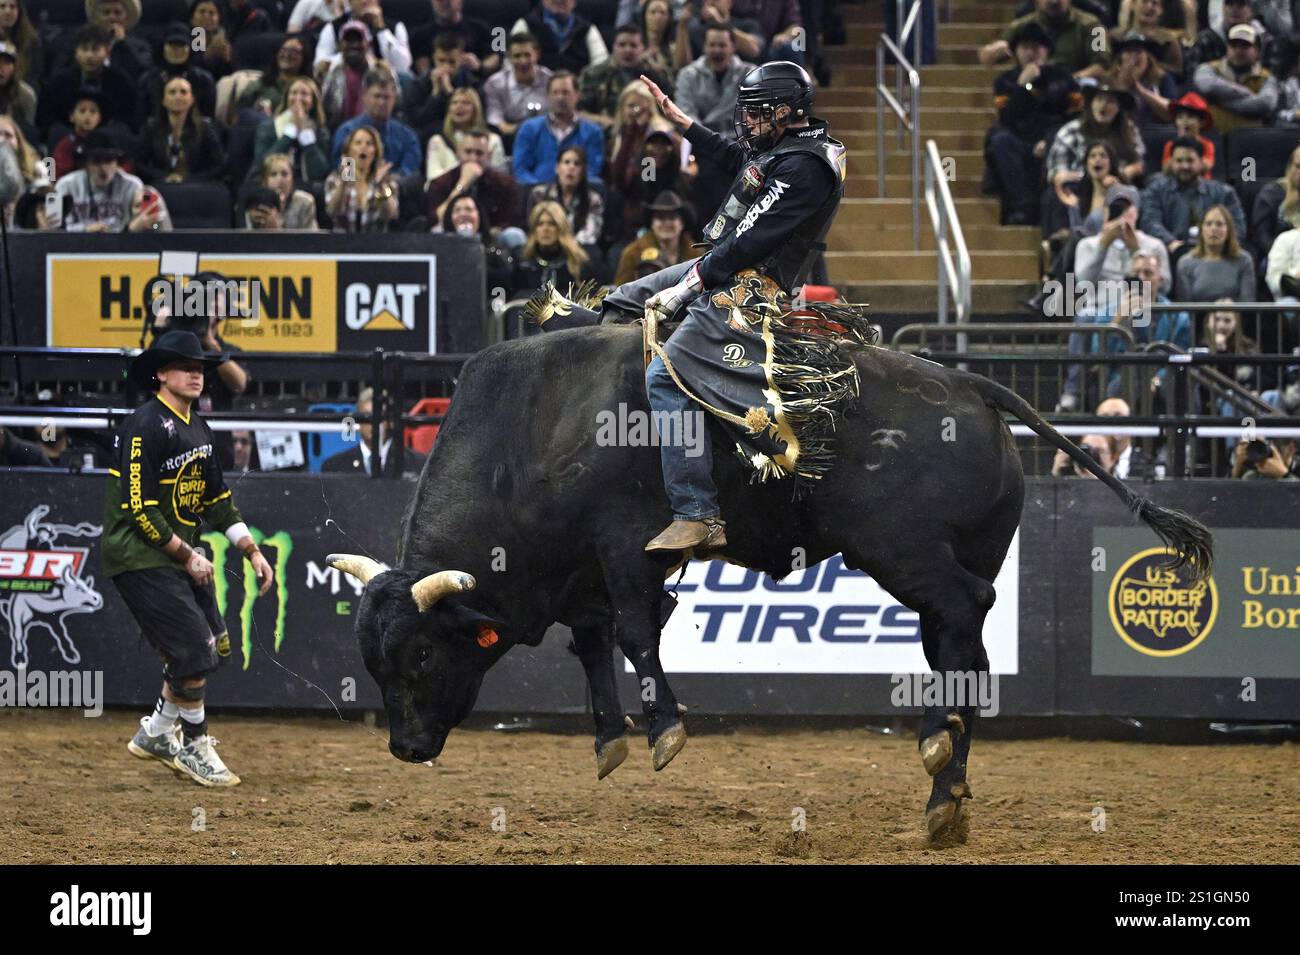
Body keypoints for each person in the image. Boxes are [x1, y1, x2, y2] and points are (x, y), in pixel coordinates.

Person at [595, 62, 846, 552]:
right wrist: (683, 122)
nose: (746, 124)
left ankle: (698, 511)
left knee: (665, 378)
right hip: (722, 267)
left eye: (754, 115)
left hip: (751, 289)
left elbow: (747, 244)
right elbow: (738, 159)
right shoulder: (786, 148)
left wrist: (687, 287)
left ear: (784, 112)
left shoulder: (807, 168)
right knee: (621, 300)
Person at [103, 330, 274, 787]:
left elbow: (217, 499)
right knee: (195, 647)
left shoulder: (199, 427)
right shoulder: (144, 424)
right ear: (160, 374)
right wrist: (186, 555)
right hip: (139, 555)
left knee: (210, 646)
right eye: (185, 367)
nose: (196, 374)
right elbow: (140, 509)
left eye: (200, 368)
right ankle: (197, 746)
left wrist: (251, 550)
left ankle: (159, 731)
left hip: (173, 557)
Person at [985, 19, 1078, 225]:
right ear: (1016, 51)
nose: (1030, 53)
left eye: (1036, 47)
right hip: (1020, 140)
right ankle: (1023, 206)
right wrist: (1022, 86)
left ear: (1047, 51)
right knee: (999, 140)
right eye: (1025, 47)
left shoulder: (1064, 79)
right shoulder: (1005, 81)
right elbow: (1006, 119)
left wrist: (1050, 139)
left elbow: (1073, 118)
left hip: (1055, 139)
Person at [1139, 137, 1245, 262]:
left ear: (1201, 162)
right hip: (1169, 253)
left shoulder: (1223, 192)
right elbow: (1150, 222)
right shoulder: (1155, 190)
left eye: (1190, 160)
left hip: (1216, 253)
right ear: (1171, 162)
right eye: (1179, 161)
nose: (1185, 166)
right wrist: (1170, 242)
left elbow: (1238, 227)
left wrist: (1217, 246)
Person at [51, 131, 173, 232]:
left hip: (122, 254)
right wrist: (84, 232)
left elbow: (157, 228)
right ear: (86, 164)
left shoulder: (132, 186)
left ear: (117, 164)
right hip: (72, 253)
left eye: (108, 161)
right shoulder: (65, 185)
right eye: (96, 162)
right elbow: (49, 233)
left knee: (151, 194)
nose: (103, 168)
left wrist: (142, 227)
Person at [36, 25, 135, 137]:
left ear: (107, 53)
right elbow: (46, 118)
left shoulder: (120, 81)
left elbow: (128, 118)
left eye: (95, 49)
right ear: (76, 53)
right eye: (84, 49)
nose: (89, 55)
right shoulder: (59, 81)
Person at [511, 71, 606, 186]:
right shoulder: (529, 128)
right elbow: (521, 170)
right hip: (537, 195)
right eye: (555, 93)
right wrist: (542, 190)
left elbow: (592, 170)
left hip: (578, 194)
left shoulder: (593, 132)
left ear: (577, 96)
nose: (560, 98)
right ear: (548, 96)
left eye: (565, 93)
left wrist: (569, 189)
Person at [421, 128, 521, 236]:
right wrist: (462, 184)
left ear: (489, 155)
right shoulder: (440, 183)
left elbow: (509, 221)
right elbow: (435, 220)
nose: (473, 158)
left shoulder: (505, 184)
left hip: (491, 240)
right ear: (458, 152)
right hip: (449, 238)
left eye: (479, 153)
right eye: (468, 152)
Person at [133, 75, 227, 184]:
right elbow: (139, 164)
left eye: (183, 92)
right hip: (161, 185)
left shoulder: (205, 128)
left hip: (197, 186)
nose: (178, 97)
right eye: (172, 92)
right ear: (164, 100)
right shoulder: (150, 127)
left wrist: (189, 180)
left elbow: (219, 166)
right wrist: (165, 177)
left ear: (192, 99)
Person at [330, 68, 421, 178]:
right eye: (377, 96)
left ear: (394, 99)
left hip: (394, 189)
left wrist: (388, 181)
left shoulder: (407, 136)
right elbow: (345, 173)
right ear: (364, 96)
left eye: (386, 97)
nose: (381, 102)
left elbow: (409, 171)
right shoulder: (347, 132)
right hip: (354, 189)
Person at [980, 0, 1108, 78]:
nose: (1054, 1)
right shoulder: (1020, 26)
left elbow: (1102, 65)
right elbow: (987, 58)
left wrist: (1070, 81)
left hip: (1074, 90)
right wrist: (992, 52)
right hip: (1030, 90)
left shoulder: (1094, 26)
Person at [578, 24, 674, 127]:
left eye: (633, 45)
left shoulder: (656, 74)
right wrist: (605, 121)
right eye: (622, 45)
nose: (627, 50)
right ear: (614, 47)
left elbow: (671, 108)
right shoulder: (595, 74)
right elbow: (579, 112)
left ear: (642, 48)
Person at [1193, 22, 1278, 134]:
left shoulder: (1267, 77)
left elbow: (1263, 105)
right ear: (1227, 48)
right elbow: (1208, 87)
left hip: (1251, 142)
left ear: (1257, 51)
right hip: (1213, 138)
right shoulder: (1208, 69)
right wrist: (1248, 94)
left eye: (1245, 46)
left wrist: (1217, 101)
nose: (1238, 50)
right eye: (1234, 45)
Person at [321, 386, 426, 475]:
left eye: (379, 416)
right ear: (357, 420)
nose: (373, 423)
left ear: (390, 421)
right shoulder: (334, 467)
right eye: (367, 416)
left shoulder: (418, 465)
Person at [250, 77, 332, 185]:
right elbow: (262, 166)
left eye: (304, 94)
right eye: (293, 93)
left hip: (308, 187)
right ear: (287, 98)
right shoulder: (268, 127)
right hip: (273, 185)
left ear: (313, 101)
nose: (298, 98)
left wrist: (306, 138)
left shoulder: (321, 131)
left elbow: (321, 174)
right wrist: (289, 134)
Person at [676, 23, 754, 136]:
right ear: (704, 47)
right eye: (712, 45)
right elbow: (685, 114)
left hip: (741, 142)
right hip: (702, 141)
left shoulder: (749, 74)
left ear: (733, 47)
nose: (717, 50)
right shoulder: (687, 75)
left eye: (722, 45)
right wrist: (707, 138)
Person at [525, 145, 605, 252]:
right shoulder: (539, 194)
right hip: (544, 246)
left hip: (578, 250)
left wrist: (567, 246)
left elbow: (590, 234)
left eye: (577, 164)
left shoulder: (593, 199)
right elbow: (533, 227)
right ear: (557, 168)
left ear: (583, 172)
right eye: (566, 162)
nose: (571, 167)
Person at [137, 21, 218, 125]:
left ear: (190, 49)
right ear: (163, 47)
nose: (177, 50)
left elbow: (208, 118)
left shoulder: (204, 80)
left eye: (182, 45)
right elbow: (140, 120)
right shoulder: (148, 80)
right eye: (172, 45)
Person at [422, 87, 508, 183]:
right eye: (454, 103)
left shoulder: (493, 140)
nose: (459, 107)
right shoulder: (437, 141)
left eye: (465, 103)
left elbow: (500, 177)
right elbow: (433, 177)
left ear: (476, 109)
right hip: (446, 192)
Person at [510, 198, 593, 297]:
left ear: (561, 228)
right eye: (540, 224)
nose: (545, 229)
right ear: (534, 229)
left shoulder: (578, 261)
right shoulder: (521, 260)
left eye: (552, 224)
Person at [435, 194, 514, 295]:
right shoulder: (440, 251)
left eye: (469, 209)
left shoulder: (495, 251)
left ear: (479, 215)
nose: (463, 214)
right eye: (457, 210)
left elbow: (507, 281)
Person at [1175, 203, 1255, 302]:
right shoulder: (1185, 263)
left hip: (1233, 316)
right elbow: (1184, 308)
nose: (1213, 229)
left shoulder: (1244, 260)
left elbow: (1248, 303)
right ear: (1201, 230)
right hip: (1197, 317)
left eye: (1219, 224)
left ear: (1228, 230)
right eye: (1208, 224)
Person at [324, 124, 398, 231]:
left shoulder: (387, 180)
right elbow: (332, 211)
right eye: (358, 143)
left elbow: (391, 215)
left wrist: (381, 185)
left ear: (376, 151)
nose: (363, 147)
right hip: (341, 244)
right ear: (349, 150)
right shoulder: (334, 178)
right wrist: (344, 183)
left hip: (377, 243)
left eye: (369, 143)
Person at [614, 189, 695, 283]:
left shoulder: (696, 255)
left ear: (682, 223)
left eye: (672, 217)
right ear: (652, 223)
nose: (666, 223)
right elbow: (621, 291)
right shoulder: (632, 254)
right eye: (660, 217)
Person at [313, 0, 412, 76]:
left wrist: (381, 30)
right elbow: (320, 64)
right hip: (345, 79)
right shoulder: (333, 27)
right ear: (349, 2)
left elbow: (403, 66)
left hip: (382, 81)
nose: (365, 1)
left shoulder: (395, 27)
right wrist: (349, 57)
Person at [482, 32, 552, 140]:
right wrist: (526, 130)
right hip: (511, 139)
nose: (523, 61)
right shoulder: (494, 84)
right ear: (508, 57)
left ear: (537, 54)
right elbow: (498, 124)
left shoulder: (551, 81)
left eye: (527, 55)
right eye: (517, 56)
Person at [512, 0, 609, 75]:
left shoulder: (587, 29)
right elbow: (510, 62)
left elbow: (601, 64)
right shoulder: (526, 25)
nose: (559, 0)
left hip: (577, 90)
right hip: (534, 89)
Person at [409, 0, 499, 79]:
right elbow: (422, 71)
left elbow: (498, 55)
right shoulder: (419, 36)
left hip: (474, 87)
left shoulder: (480, 29)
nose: (444, 3)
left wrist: (480, 66)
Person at [1108, 31, 1176, 128]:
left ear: (1148, 57)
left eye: (1138, 51)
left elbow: (1172, 114)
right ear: (1121, 58)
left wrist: (1139, 89)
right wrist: (1122, 83)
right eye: (1128, 51)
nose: (1133, 57)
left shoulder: (1163, 78)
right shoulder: (1109, 79)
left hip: (1154, 132)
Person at [234, 33, 311, 118]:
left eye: (294, 51)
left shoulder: (308, 90)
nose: (287, 54)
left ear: (304, 58)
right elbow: (239, 111)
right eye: (283, 49)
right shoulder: (262, 83)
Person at [1252, 144, 1300, 266]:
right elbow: (1263, 237)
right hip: (1278, 256)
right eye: (1298, 166)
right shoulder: (1270, 195)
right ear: (1289, 168)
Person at [245, 154, 319, 229]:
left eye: (284, 174)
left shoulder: (305, 202)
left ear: (292, 178)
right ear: (265, 181)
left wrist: (277, 229)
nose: (279, 179)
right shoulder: (256, 202)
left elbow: (312, 238)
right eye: (273, 174)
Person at [50, 89, 108, 180]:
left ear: (99, 118)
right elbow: (56, 175)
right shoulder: (66, 144)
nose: (88, 116)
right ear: (71, 117)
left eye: (93, 112)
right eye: (82, 111)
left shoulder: (106, 141)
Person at [87, 0, 151, 78]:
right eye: (106, 12)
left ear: (127, 17)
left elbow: (142, 72)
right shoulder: (84, 43)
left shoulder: (140, 45)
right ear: (97, 17)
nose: (112, 17)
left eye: (117, 12)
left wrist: (122, 43)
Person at [1161, 92, 1216, 176]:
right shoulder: (1170, 145)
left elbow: (1206, 166)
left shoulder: (1207, 144)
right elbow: (1166, 171)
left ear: (1202, 122)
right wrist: (1180, 142)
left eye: (1190, 117)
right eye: (1180, 117)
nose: (1184, 121)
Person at [0, 0, 41, 87]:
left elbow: (34, 76)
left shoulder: (31, 41)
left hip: (19, 93)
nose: (8, 11)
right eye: (2, 6)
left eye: (12, 7)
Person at [0, 40, 34, 127]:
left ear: (15, 67)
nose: (1, 68)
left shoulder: (26, 95)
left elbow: (28, 131)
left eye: (6, 63)